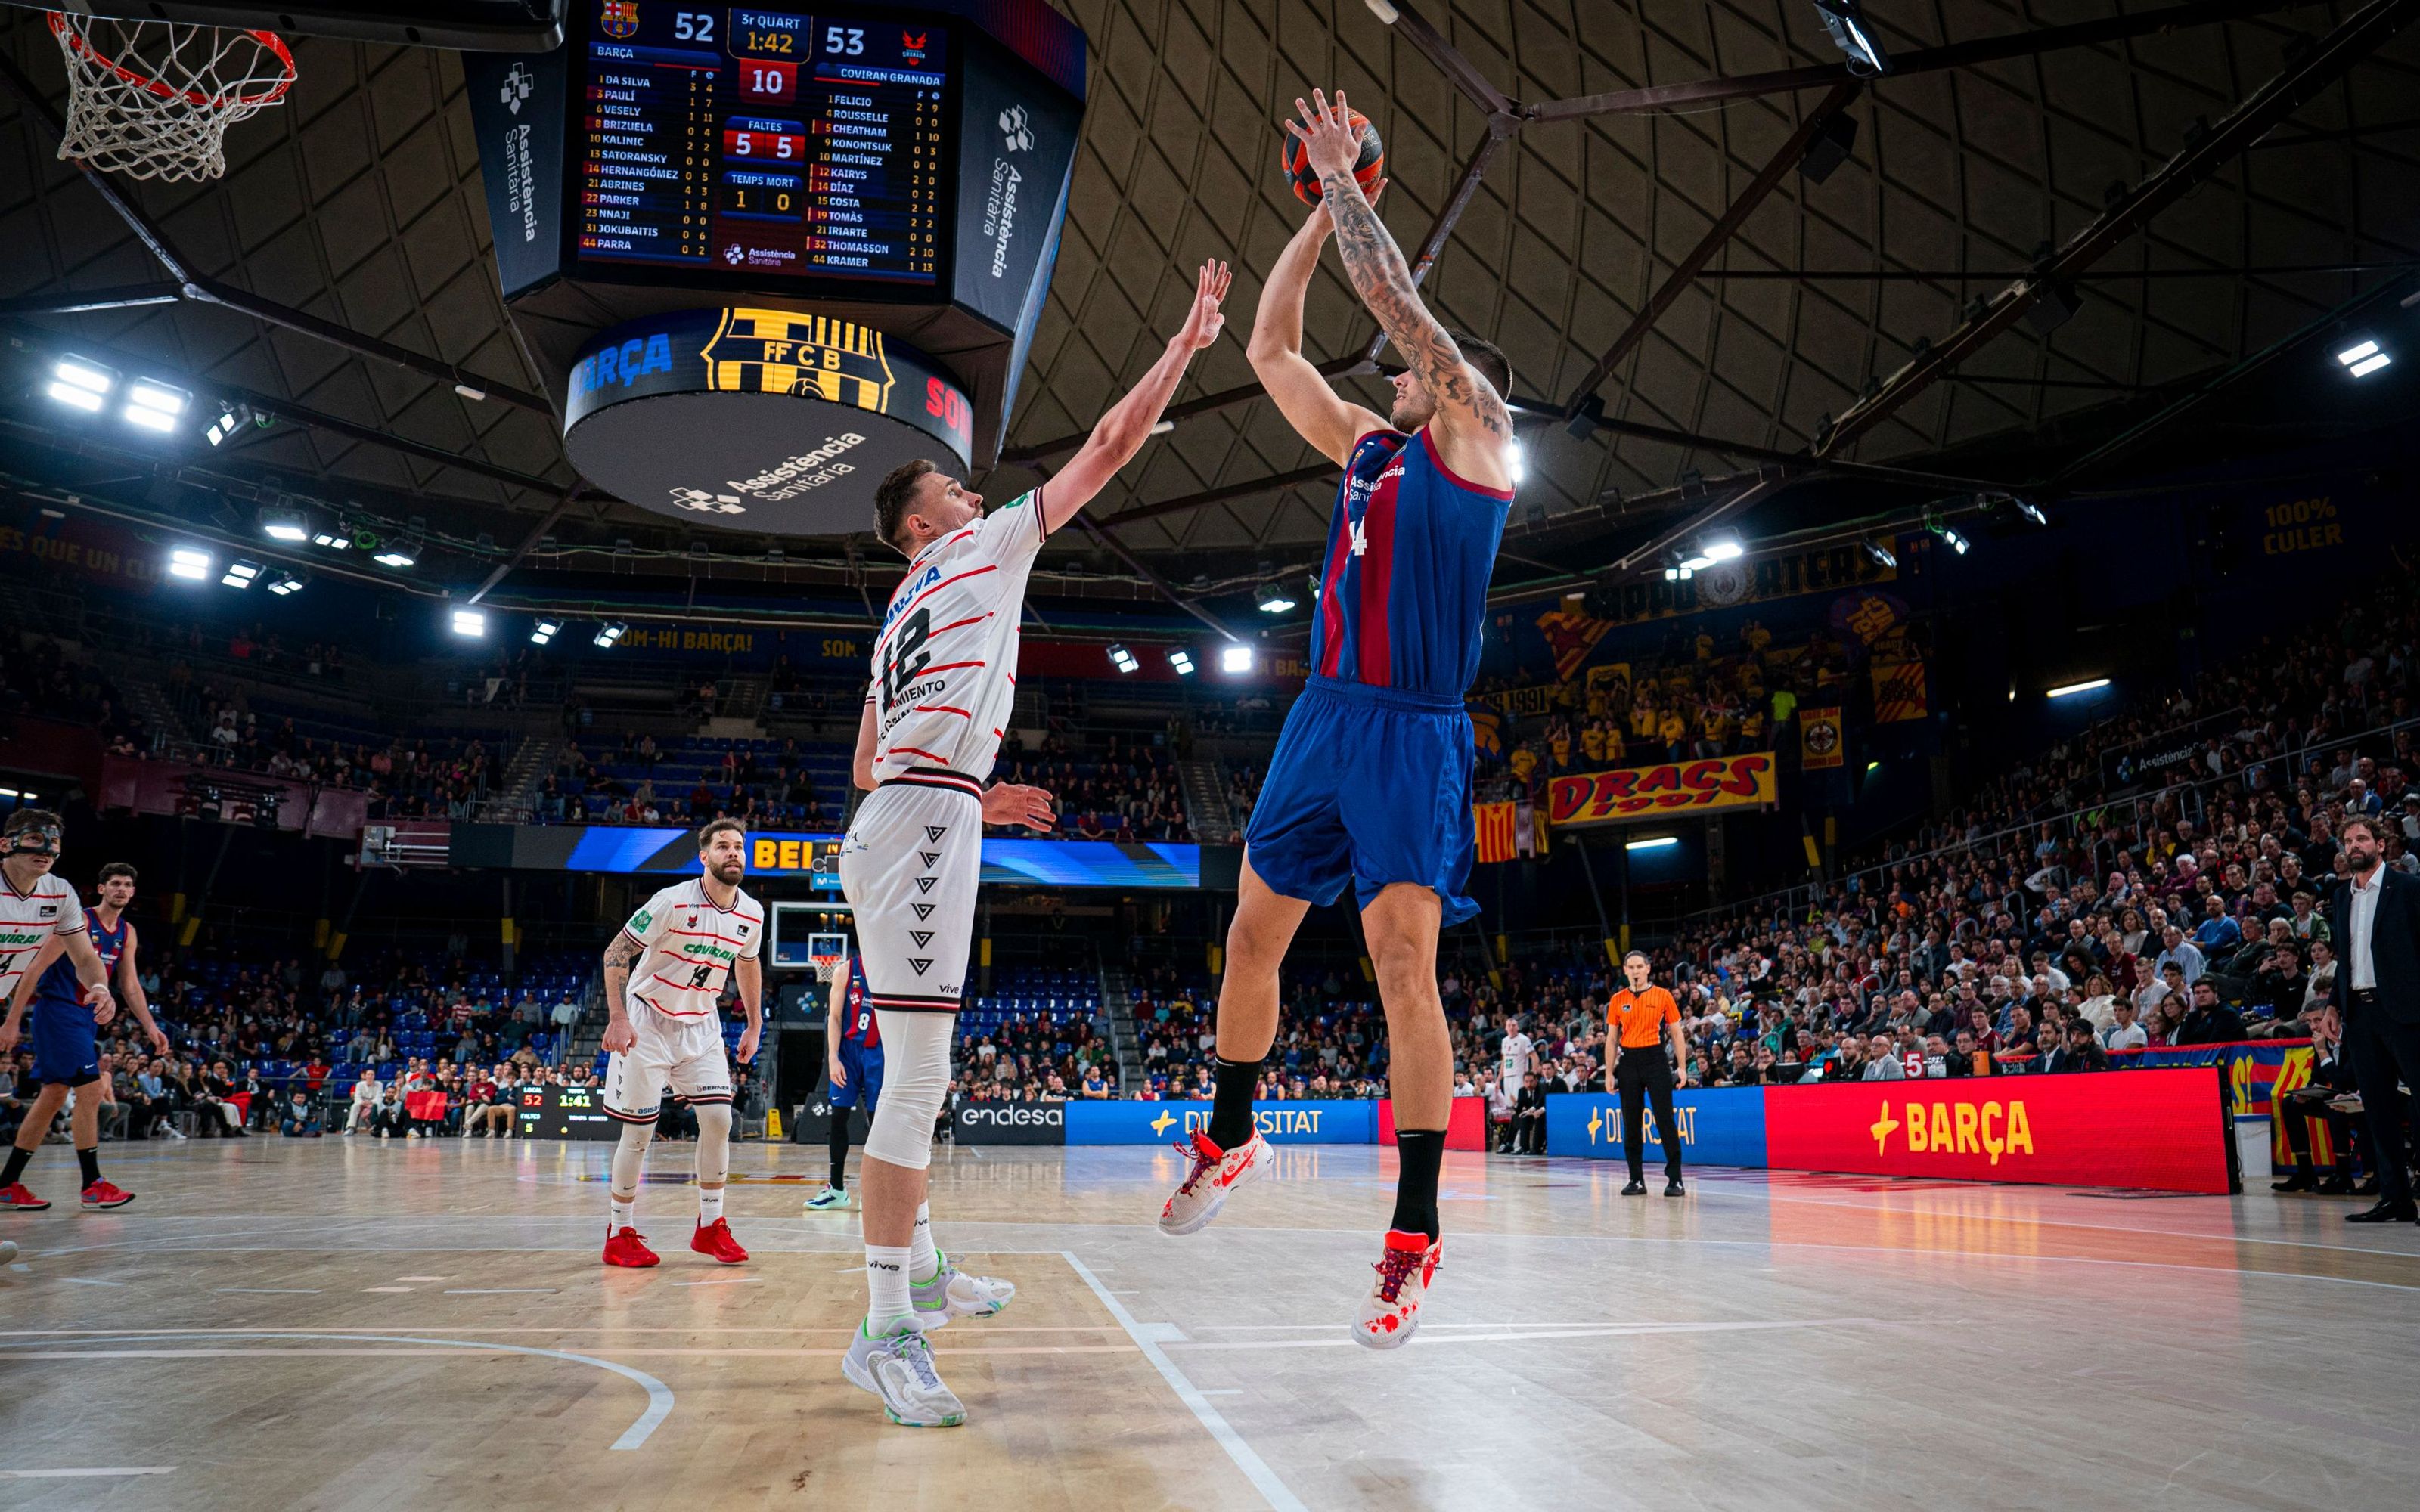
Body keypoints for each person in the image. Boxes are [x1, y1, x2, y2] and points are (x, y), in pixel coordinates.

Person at [1158, 88, 1517, 1356]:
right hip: (1324, 717)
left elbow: (1401, 311)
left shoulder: (1480, 444)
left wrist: (1348, 176)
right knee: (1251, 936)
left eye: (1424, 364)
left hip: (1413, 733)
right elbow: (1269, 351)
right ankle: (1234, 1126)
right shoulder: (1368, 447)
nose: (1405, 372)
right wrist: (1312, 211)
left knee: (1403, 969)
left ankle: (1414, 1234)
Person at [842, 256, 1227, 1425]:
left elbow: (865, 764)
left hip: (914, 807)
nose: (979, 499)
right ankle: (883, 1330)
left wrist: (977, 787)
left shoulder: (889, 623)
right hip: (917, 826)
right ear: (925, 526)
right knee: (914, 1085)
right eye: (958, 493)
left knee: (926, 1075)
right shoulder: (969, 554)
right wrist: (1183, 348)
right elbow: (1107, 448)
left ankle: (925, 1271)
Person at [597, 820, 765, 1266]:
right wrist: (617, 1018)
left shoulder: (752, 912)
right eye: (723, 847)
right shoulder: (670, 901)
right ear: (704, 857)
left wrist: (753, 1023)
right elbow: (615, 953)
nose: (734, 853)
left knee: (719, 1120)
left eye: (739, 847)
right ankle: (620, 1231)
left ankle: (711, 1227)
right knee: (639, 1133)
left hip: (702, 1023)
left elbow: (747, 964)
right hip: (647, 1020)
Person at [0, 815, 132, 1212]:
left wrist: (98, 986)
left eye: (54, 841)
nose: (47, 849)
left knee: (56, 1093)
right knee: (84, 1091)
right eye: (36, 839)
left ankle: (9, 1184)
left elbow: (87, 959)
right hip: (58, 1012)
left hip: (73, 1013)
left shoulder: (59, 894)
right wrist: (12, 1020)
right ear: (7, 845)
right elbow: (37, 971)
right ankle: (90, 1182)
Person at [2327, 816, 2420, 1223]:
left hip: (2405, 1012)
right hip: (2359, 1014)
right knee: (2377, 1108)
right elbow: (2344, 959)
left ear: (2381, 845)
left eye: (2362, 838)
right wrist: (2333, 1005)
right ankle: (2394, 1197)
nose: (2355, 845)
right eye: (2348, 840)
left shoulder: (2408, 889)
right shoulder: (2341, 897)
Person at [1606, 951, 1689, 1196]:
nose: (1635, 971)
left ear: (1648, 969)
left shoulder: (1663, 995)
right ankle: (1636, 1180)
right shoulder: (1617, 999)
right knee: (1631, 1123)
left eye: (1639, 966)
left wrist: (1682, 1067)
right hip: (1629, 1061)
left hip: (1656, 1059)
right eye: (1631, 967)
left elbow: (1676, 1033)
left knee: (1664, 1120)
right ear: (1624, 970)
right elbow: (1612, 1040)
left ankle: (1675, 1180)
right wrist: (1610, 1073)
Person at [806, 950, 882, 1213]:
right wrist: (833, 1058)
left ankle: (874, 1192)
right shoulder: (845, 971)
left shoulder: (892, 969)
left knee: (877, 1122)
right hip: (848, 1052)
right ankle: (837, 1189)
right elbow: (835, 1017)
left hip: (879, 1051)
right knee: (838, 1116)